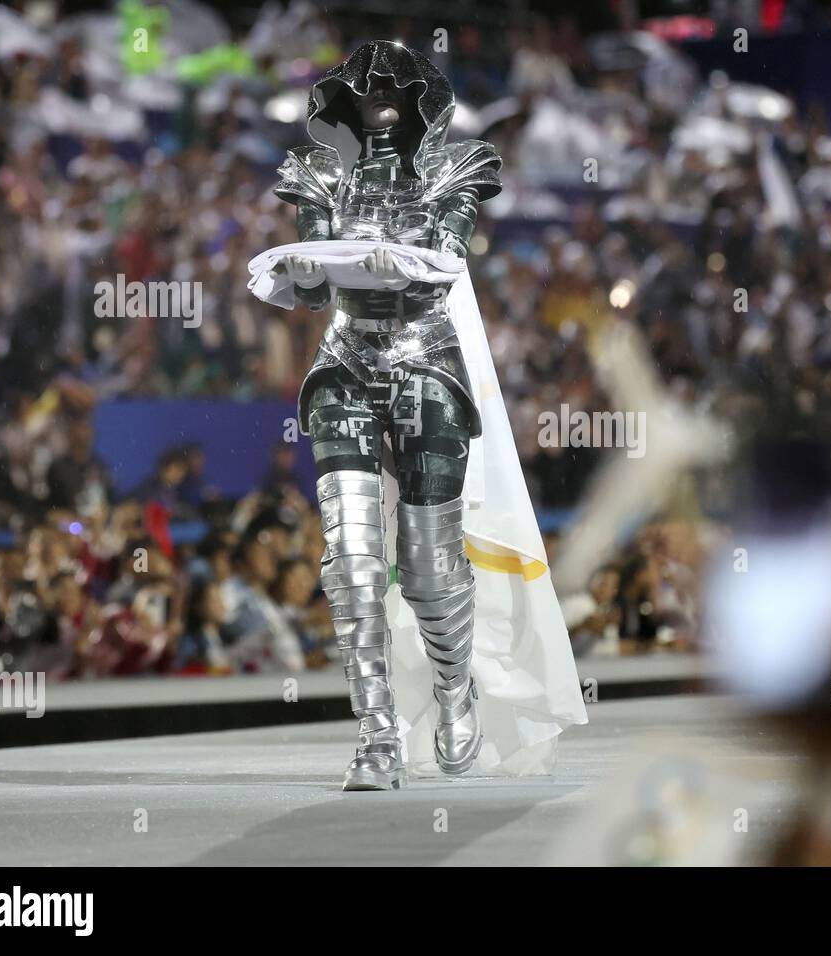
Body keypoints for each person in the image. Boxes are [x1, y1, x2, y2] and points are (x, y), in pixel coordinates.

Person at [263, 40, 586, 789]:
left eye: (393, 93)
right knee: (350, 562)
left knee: (430, 569)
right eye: (365, 92)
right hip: (343, 361)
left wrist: (391, 263)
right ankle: (375, 734)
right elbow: (312, 283)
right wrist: (312, 268)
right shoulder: (318, 174)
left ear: (420, 103)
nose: (378, 104)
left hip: (425, 362)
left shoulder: (456, 169)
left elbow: (443, 265)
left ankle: (453, 690)